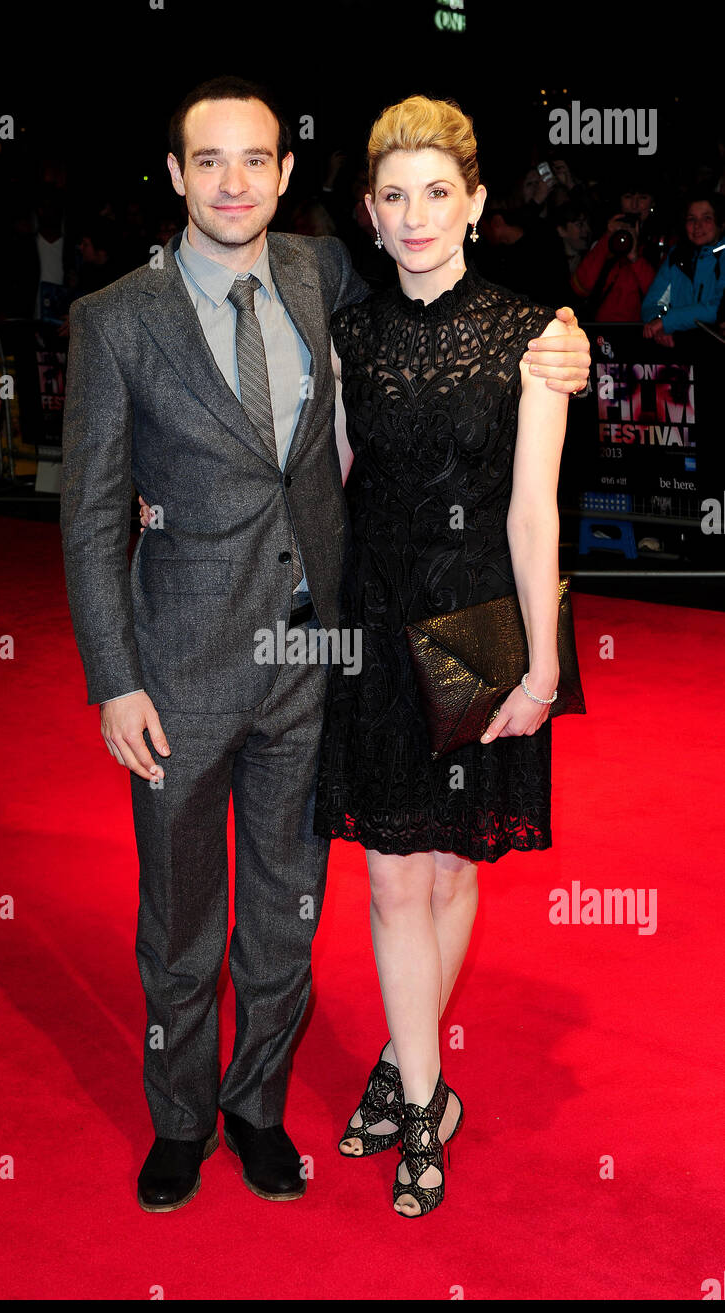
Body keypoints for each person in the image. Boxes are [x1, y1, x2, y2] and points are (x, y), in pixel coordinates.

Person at [65, 74, 591, 1218]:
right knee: (198, 907)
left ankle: (276, 1105)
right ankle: (185, 1118)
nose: (236, 181)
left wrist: (573, 345)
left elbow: (518, 455)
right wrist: (116, 677)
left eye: (257, 159)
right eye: (211, 161)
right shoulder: (127, 316)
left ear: (289, 177)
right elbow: (93, 511)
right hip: (226, 652)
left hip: (391, 640)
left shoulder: (324, 280)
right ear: (175, 175)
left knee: (345, 891)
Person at [311, 95, 573, 1218]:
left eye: (437, 192)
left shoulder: (535, 337)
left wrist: (544, 665)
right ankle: (426, 1102)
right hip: (375, 624)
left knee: (455, 865)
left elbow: (532, 516)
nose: (416, 216)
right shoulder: (350, 336)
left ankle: (401, 1061)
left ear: (474, 204)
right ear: (371, 215)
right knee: (388, 871)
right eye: (394, 196)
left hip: (475, 631)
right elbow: (323, 491)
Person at [641, 191, 725, 348]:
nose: (697, 225)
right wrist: (657, 323)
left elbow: (718, 308)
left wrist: (668, 322)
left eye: (707, 218)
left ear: (721, 223)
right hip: (681, 348)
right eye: (691, 219)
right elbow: (652, 303)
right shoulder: (678, 255)